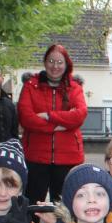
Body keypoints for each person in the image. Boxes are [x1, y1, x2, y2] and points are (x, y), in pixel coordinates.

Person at [17, 44, 87, 204]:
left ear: (66, 64)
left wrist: (49, 116)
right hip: (36, 157)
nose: (55, 66)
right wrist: (61, 125)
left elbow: (80, 115)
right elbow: (26, 118)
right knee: (32, 205)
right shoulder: (30, 86)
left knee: (64, 206)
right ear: (45, 62)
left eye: (60, 62)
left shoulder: (75, 88)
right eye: (51, 61)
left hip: (68, 158)